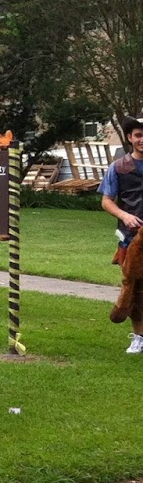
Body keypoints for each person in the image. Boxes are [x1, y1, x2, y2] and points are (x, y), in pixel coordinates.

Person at [100, 117, 143, 353]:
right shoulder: (118, 167)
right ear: (130, 138)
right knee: (134, 290)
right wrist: (125, 216)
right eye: (138, 135)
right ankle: (139, 336)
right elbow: (106, 201)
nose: (142, 140)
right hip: (131, 239)